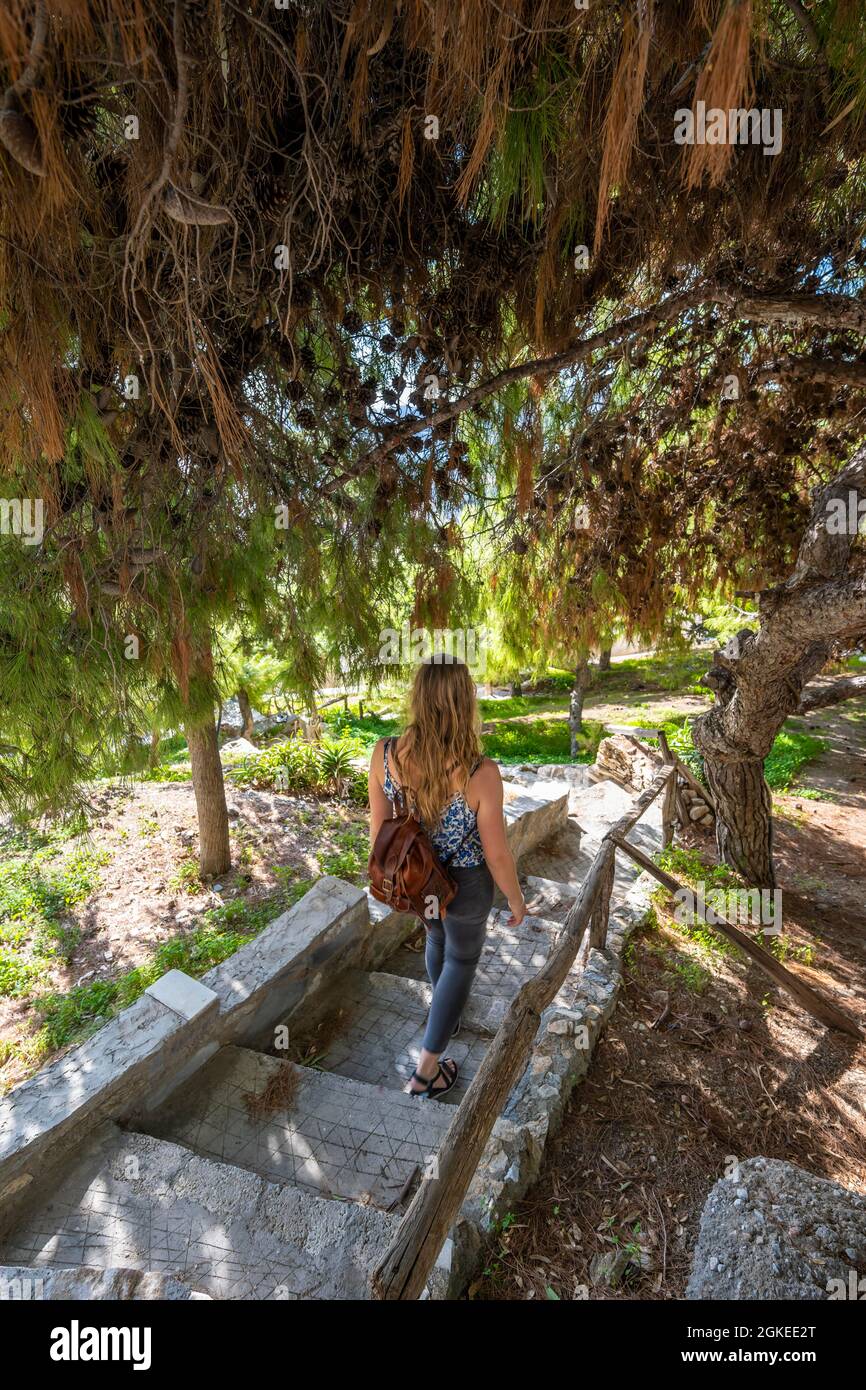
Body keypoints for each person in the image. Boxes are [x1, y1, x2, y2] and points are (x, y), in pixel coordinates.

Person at [368, 655, 526, 1099]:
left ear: (418, 698)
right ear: (465, 702)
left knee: (437, 941)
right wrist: (515, 900)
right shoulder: (481, 772)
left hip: (419, 880)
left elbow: (378, 830)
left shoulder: (383, 754)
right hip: (468, 885)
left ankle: (446, 1011)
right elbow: (496, 853)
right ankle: (425, 1074)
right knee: (460, 960)